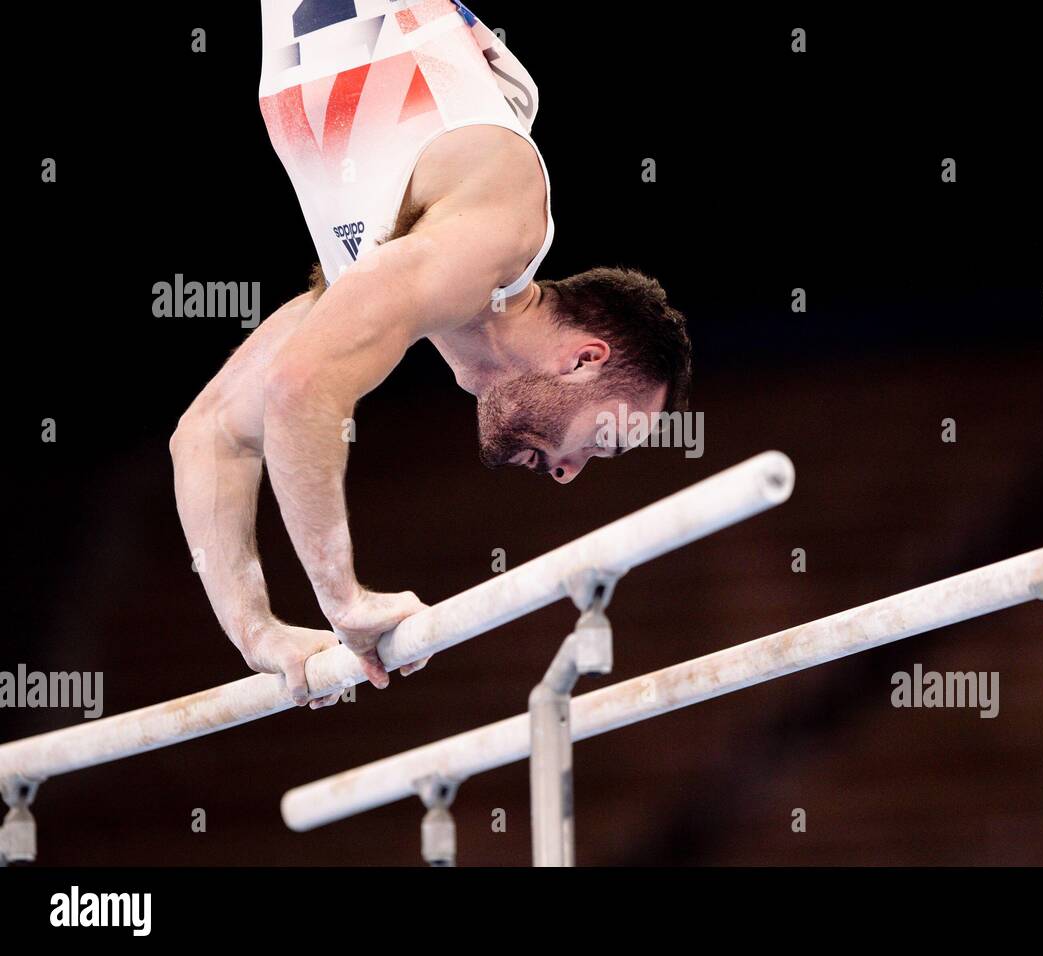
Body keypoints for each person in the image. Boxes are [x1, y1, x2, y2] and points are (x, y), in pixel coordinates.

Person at [169, 0, 692, 707]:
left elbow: (212, 435)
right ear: (586, 357)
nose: (569, 474)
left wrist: (260, 635)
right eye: (602, 441)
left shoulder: (388, 276)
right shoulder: (501, 226)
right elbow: (301, 388)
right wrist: (343, 598)